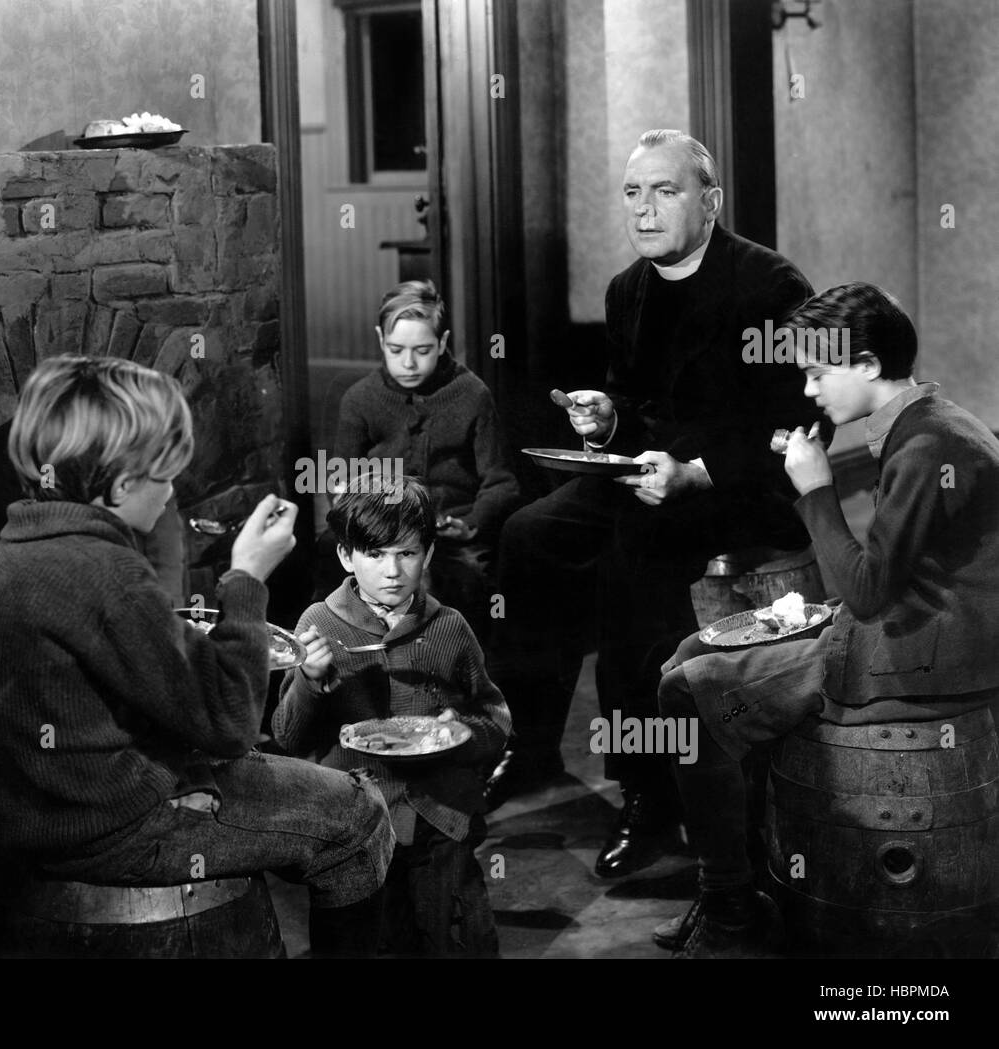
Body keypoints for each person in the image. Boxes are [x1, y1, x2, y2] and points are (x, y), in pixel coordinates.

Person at [0, 355, 395, 957]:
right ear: (122, 483)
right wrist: (247, 577)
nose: (170, 495)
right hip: (108, 829)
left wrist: (173, 766)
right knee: (358, 819)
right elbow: (230, 727)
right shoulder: (105, 572)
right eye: (163, 478)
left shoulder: (5, 557)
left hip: (37, 813)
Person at [485, 130, 824, 880]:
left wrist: (698, 472)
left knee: (630, 567)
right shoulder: (627, 288)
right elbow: (639, 409)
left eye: (664, 191)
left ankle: (649, 797)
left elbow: (799, 421)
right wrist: (604, 419)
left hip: (740, 494)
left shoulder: (770, 286)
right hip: (644, 475)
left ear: (710, 202)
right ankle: (533, 742)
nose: (643, 210)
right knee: (527, 533)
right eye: (632, 193)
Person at [654, 282, 999, 957]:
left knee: (681, 691)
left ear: (868, 364)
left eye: (818, 371)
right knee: (690, 650)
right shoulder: (926, 424)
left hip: (925, 657)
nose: (810, 390)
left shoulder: (930, 447)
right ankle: (733, 885)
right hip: (921, 629)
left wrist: (814, 489)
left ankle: (729, 904)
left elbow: (868, 592)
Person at [273, 476, 511, 956]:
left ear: (427, 554)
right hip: (356, 826)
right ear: (346, 556)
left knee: (456, 940)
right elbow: (289, 739)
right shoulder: (317, 624)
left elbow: (496, 718)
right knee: (371, 941)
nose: (392, 571)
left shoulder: (449, 626)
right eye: (375, 554)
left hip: (439, 820)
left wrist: (461, 730)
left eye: (406, 553)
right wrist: (310, 680)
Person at [317, 280, 520, 640]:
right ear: (380, 339)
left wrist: (470, 524)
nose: (408, 363)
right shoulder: (360, 399)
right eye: (395, 350)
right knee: (324, 557)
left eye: (423, 350)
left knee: (467, 578)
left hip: (448, 534)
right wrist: (353, 508)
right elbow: (339, 479)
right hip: (378, 532)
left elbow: (501, 481)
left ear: (442, 343)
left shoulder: (472, 395)